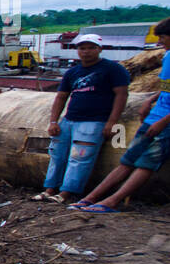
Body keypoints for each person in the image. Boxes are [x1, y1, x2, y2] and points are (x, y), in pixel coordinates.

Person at [74, 18, 170, 212]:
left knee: (146, 164)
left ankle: (112, 201)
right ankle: (90, 198)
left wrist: (163, 122)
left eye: (163, 37)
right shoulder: (168, 56)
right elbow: (166, 87)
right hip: (155, 115)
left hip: (164, 121)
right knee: (128, 159)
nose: (160, 41)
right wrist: (149, 101)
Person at [32, 33, 129, 204]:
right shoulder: (73, 72)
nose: (86, 52)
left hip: (94, 121)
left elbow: (121, 95)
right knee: (57, 155)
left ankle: (66, 193)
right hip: (70, 120)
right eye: (82, 48)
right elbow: (61, 96)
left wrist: (111, 122)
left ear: (100, 49)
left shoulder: (112, 69)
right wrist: (54, 121)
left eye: (91, 48)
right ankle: (49, 189)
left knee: (80, 158)